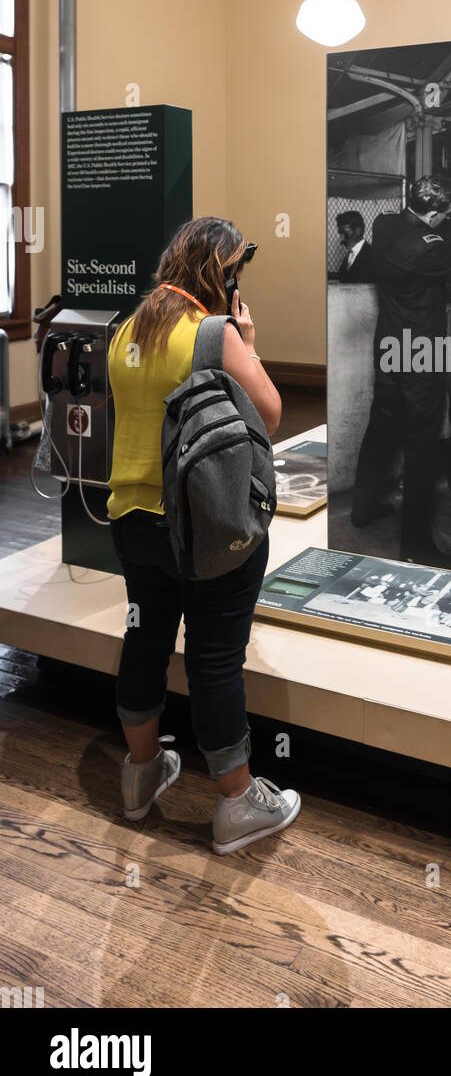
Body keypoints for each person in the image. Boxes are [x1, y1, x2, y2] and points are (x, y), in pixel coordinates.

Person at [107, 216, 299, 855]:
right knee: (215, 656)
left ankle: (138, 777)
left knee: (145, 639)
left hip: (132, 521)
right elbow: (269, 413)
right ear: (223, 274)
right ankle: (237, 803)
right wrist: (248, 340)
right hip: (204, 522)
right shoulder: (212, 332)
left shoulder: (127, 328)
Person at [351, 176, 451, 566]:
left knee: (381, 427)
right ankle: (417, 547)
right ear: (434, 214)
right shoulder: (430, 251)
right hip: (421, 353)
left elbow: (422, 225)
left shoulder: (385, 224)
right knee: (421, 445)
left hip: (389, 346)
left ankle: (363, 509)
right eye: (443, 216)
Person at [335, 210, 375, 283]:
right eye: (340, 233)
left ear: (357, 230)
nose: (341, 238)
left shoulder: (372, 256)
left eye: (343, 232)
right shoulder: (349, 256)